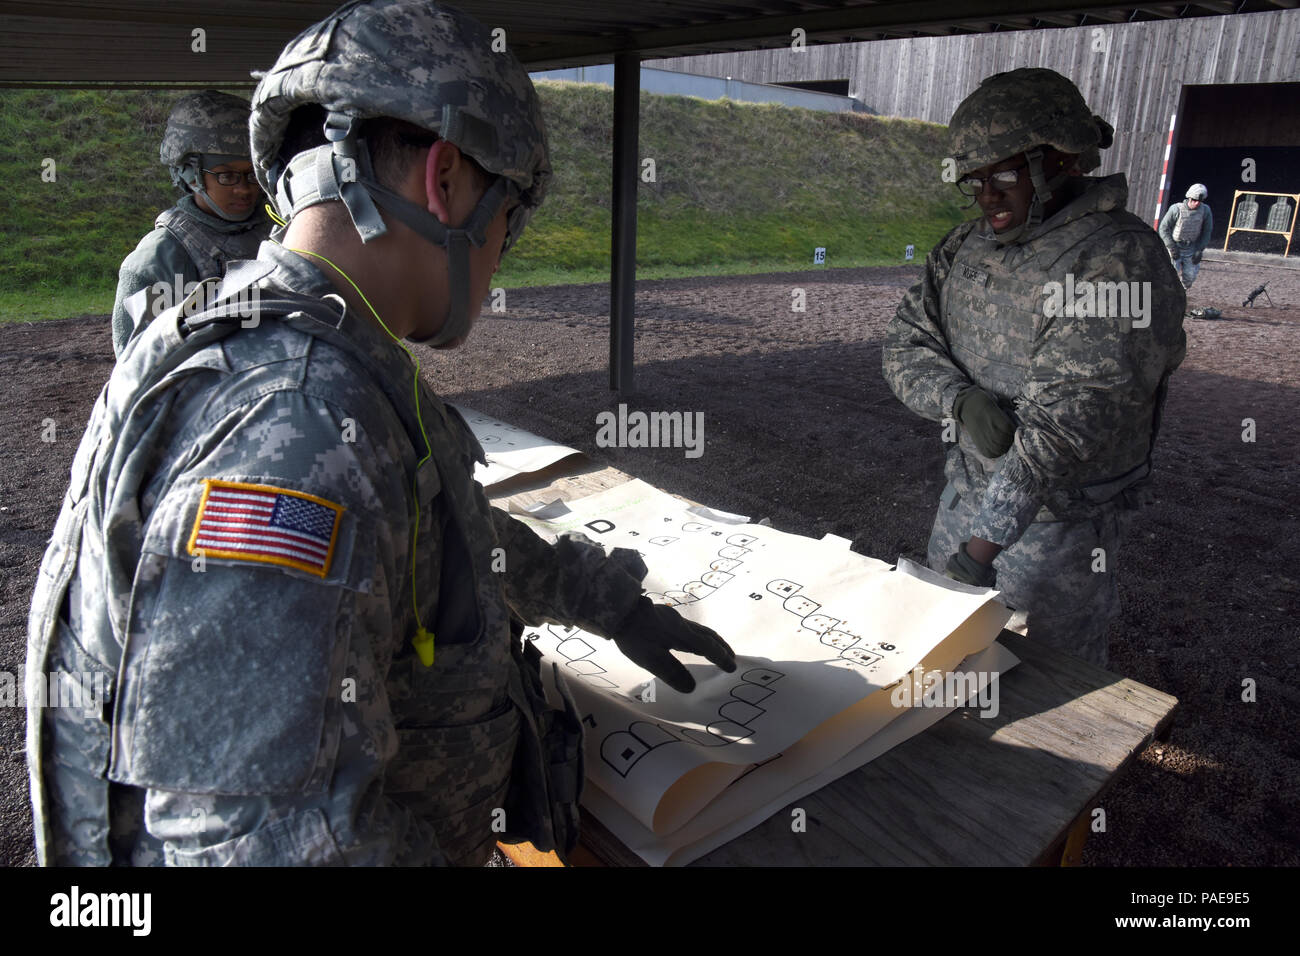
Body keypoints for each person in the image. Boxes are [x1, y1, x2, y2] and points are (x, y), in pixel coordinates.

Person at [27, 0, 735, 867]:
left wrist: (602, 598)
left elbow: (434, 543)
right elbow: (265, 842)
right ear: (447, 181)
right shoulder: (297, 416)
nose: (497, 261)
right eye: (508, 225)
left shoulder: (286, 341)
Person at [881, 68, 1186, 667]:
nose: (987, 196)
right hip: (964, 498)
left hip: (1057, 529)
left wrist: (977, 555)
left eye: (1003, 175)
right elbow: (904, 344)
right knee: (942, 676)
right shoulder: (962, 247)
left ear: (1063, 160)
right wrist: (956, 399)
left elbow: (1062, 432)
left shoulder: (1116, 261)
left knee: (1049, 695)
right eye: (975, 180)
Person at [109, 90, 272, 357]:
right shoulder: (160, 260)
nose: (244, 189)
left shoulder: (281, 233)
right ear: (191, 175)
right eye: (227, 176)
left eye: (251, 174)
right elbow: (141, 368)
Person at [1159, 184, 1214, 290]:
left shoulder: (1205, 211)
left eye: (1200, 201)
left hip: (1191, 248)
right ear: (1189, 198)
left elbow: (1207, 231)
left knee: (1189, 278)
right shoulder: (1176, 209)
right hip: (1175, 245)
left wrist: (1200, 249)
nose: (1197, 203)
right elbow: (1164, 228)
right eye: (1194, 200)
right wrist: (1171, 246)